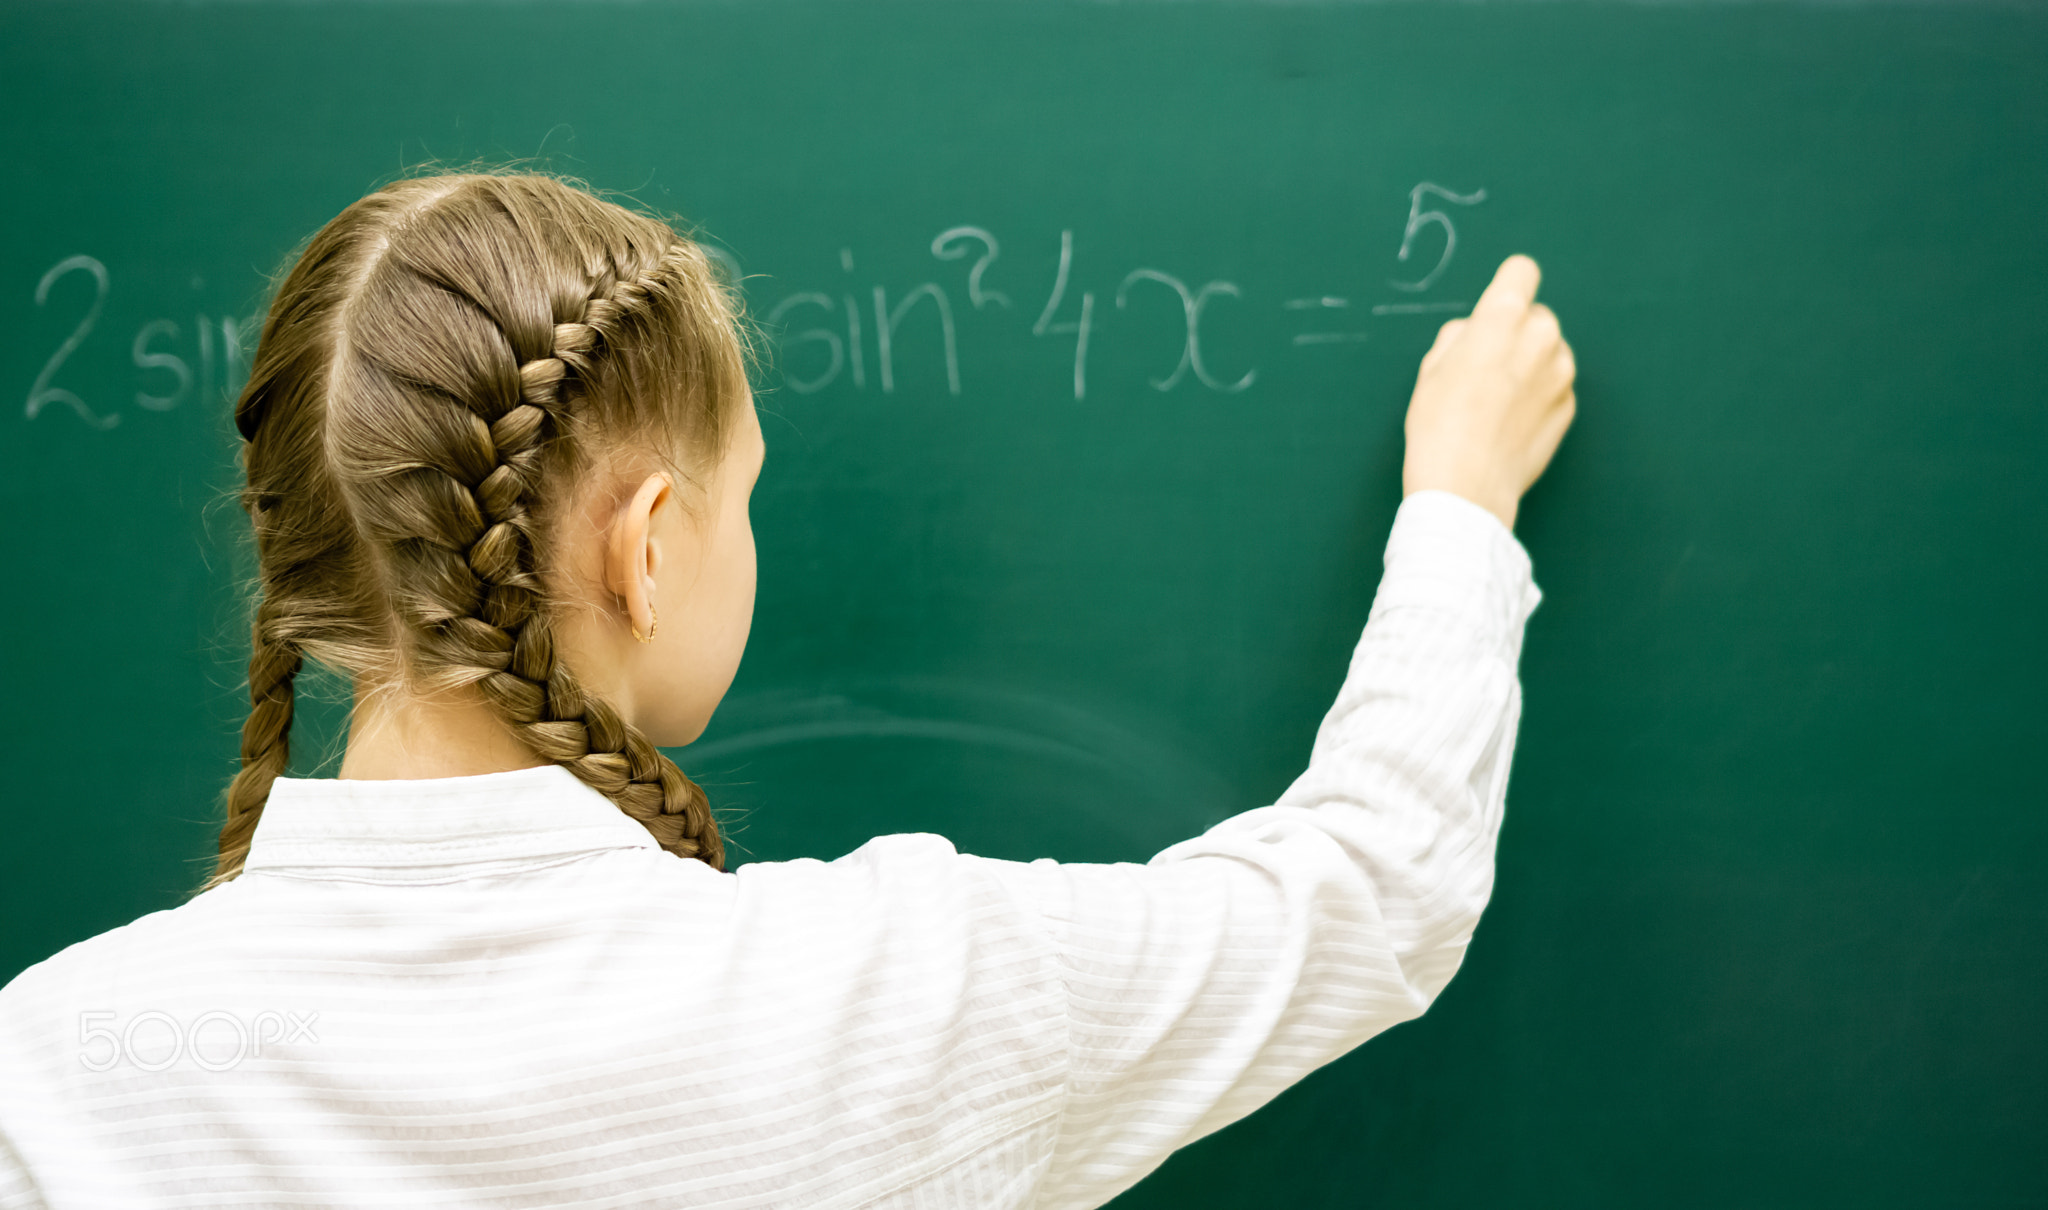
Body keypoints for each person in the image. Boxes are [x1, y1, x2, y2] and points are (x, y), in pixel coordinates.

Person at [0, 170, 1574, 1209]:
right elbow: (1374, 883)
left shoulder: (51, 1070)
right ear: (655, 549)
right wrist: (1460, 504)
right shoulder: (884, 998)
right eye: (746, 491)